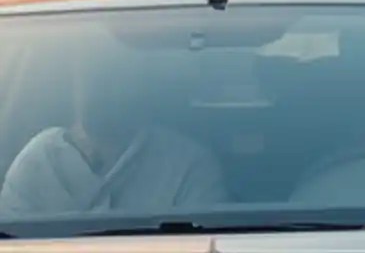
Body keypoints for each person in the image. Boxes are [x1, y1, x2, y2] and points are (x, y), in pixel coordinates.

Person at [0, 51, 227, 216]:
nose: (96, 92)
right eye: (90, 78)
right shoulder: (39, 158)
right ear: (74, 86)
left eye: (110, 79)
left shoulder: (188, 166)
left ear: (136, 85)